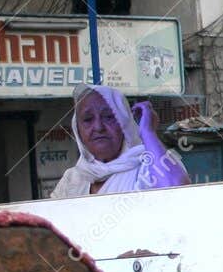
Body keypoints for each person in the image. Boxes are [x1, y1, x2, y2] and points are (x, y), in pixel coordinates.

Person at [50, 84, 190, 199]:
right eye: (87, 119)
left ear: (125, 123)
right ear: (77, 129)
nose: (98, 127)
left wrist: (148, 133)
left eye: (108, 117)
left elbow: (177, 194)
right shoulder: (73, 179)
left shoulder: (148, 166)